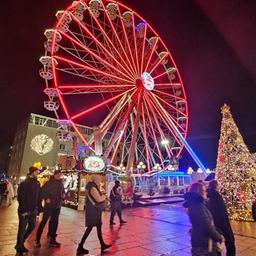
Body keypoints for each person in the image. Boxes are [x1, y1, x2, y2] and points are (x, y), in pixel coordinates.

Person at [183, 182, 224, 256]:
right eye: (204, 190)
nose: (206, 192)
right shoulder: (198, 206)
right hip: (204, 244)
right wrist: (219, 237)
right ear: (200, 192)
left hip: (201, 241)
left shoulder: (197, 204)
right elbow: (206, 225)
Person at [77, 175, 112, 255]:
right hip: (93, 211)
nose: (100, 181)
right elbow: (99, 199)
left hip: (94, 211)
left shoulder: (92, 186)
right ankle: (80, 246)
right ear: (95, 180)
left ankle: (102, 244)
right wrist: (104, 196)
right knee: (90, 228)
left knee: (98, 227)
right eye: (98, 179)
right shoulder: (92, 187)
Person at [35, 169, 64, 248]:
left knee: (55, 223)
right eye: (57, 174)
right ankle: (37, 238)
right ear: (54, 175)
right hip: (49, 206)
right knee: (44, 222)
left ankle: (52, 240)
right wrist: (46, 198)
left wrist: (63, 196)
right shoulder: (49, 182)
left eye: (60, 175)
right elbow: (42, 191)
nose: (59, 176)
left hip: (57, 206)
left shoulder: (61, 183)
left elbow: (63, 192)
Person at [15, 167, 40, 256]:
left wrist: (38, 209)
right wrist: (24, 210)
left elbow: (38, 197)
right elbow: (20, 198)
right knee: (22, 229)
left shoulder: (37, 183)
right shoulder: (24, 183)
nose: (38, 173)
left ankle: (21, 243)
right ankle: (19, 247)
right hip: (24, 211)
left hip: (33, 210)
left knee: (32, 226)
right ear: (32, 172)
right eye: (37, 171)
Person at [207, 180, 236, 256]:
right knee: (230, 243)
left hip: (215, 225)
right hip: (222, 225)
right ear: (216, 186)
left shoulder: (209, 196)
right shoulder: (216, 196)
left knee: (216, 246)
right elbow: (221, 213)